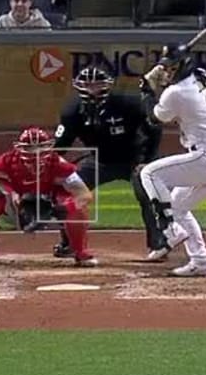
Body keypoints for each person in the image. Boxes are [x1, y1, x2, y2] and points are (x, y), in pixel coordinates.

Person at [138, 46, 206, 277]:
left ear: (183, 66)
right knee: (178, 206)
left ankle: (170, 229)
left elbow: (153, 119)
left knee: (150, 174)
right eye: (165, 68)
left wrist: (146, 91)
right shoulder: (201, 75)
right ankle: (201, 260)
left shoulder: (176, 93)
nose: (167, 73)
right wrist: (165, 69)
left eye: (171, 68)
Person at [52, 66, 165, 257]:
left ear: (107, 85)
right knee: (67, 190)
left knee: (149, 195)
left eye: (96, 84)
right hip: (99, 161)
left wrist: (147, 161)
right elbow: (61, 145)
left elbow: (154, 129)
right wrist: (49, 169)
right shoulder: (72, 111)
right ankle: (70, 242)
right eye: (87, 85)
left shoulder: (127, 104)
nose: (91, 89)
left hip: (134, 160)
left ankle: (159, 243)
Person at [0, 126, 98, 267]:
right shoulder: (6, 163)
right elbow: (4, 185)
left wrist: (63, 207)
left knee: (77, 207)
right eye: (30, 148)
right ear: (19, 148)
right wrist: (16, 197)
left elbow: (84, 194)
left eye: (40, 147)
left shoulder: (60, 166)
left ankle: (79, 251)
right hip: (17, 208)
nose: (35, 153)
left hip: (52, 208)